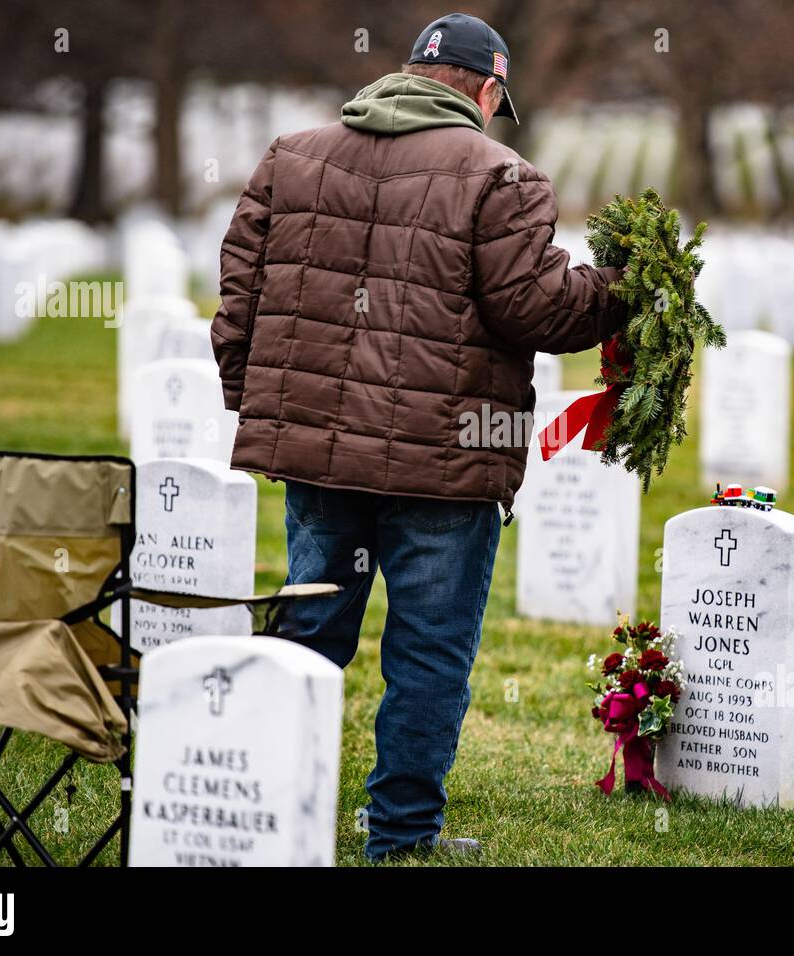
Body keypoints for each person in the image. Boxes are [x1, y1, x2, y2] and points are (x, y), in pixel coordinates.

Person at [211, 12, 626, 861]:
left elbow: (238, 302)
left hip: (321, 458)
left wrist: (268, 411)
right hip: (447, 463)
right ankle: (400, 838)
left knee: (309, 637)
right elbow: (538, 309)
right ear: (485, 89)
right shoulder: (500, 175)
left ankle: (266, 811)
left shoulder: (292, 155)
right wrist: (626, 289)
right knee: (428, 657)